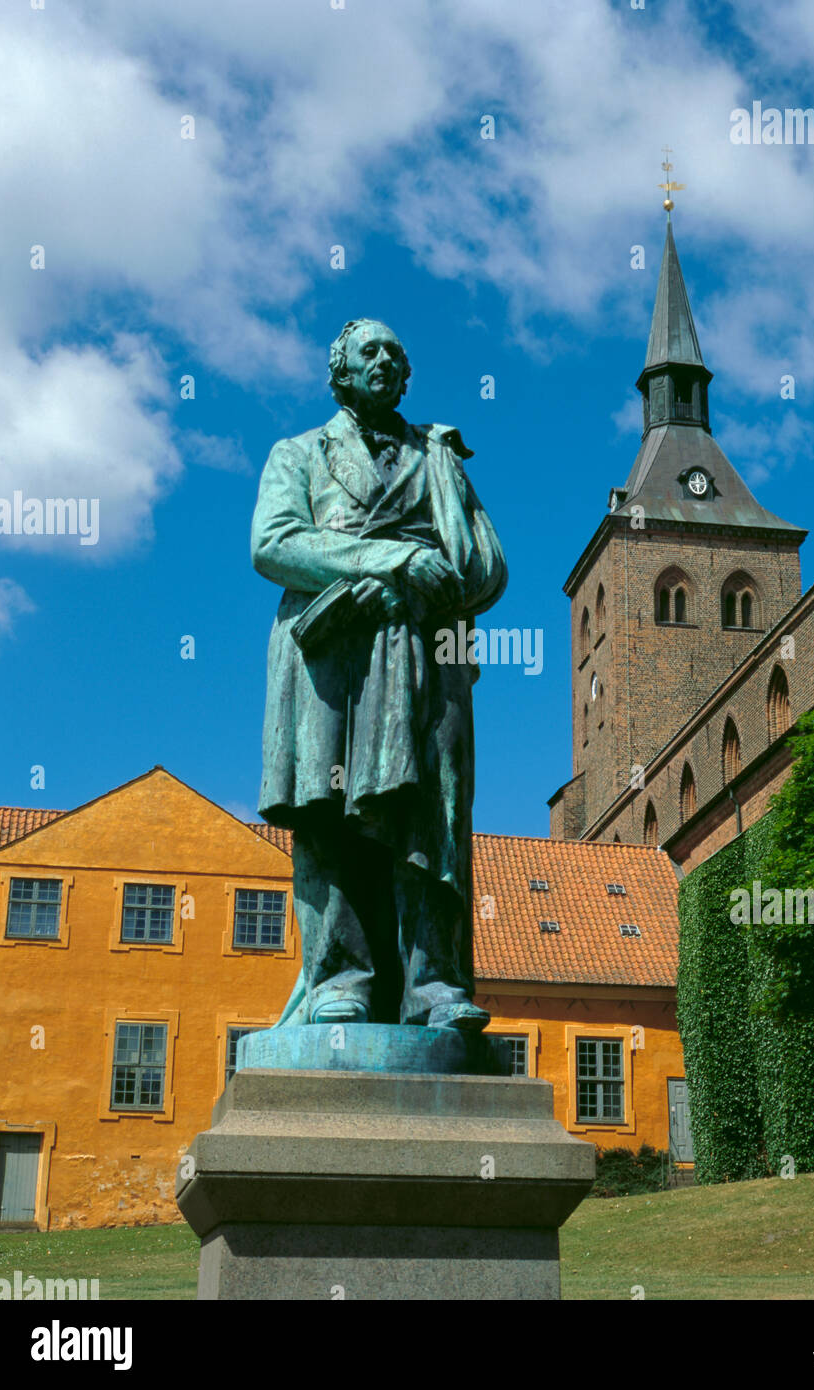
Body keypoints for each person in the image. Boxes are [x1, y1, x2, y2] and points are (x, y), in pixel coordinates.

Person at [250, 318, 507, 1030]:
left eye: (399, 351)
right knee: (328, 812)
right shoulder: (298, 453)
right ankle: (340, 981)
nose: (388, 360)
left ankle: (435, 985)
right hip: (330, 660)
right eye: (372, 350)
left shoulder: (437, 459)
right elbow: (273, 545)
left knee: (436, 813)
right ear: (340, 372)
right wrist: (387, 558)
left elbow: (487, 566)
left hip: (428, 656)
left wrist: (435, 568)